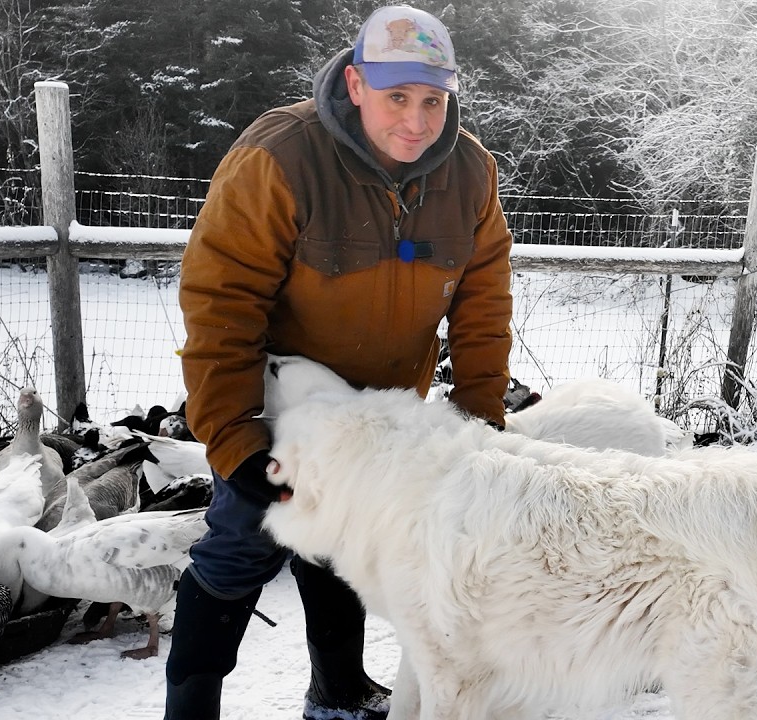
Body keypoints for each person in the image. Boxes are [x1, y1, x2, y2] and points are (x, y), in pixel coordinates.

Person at [165, 5, 513, 720]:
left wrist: (482, 421)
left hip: (385, 417)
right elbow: (220, 303)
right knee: (241, 545)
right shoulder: (281, 157)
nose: (417, 122)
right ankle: (191, 704)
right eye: (397, 99)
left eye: (432, 101)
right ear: (355, 85)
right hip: (285, 410)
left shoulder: (470, 172)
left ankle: (338, 694)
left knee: (350, 553)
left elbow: (483, 306)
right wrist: (234, 442)